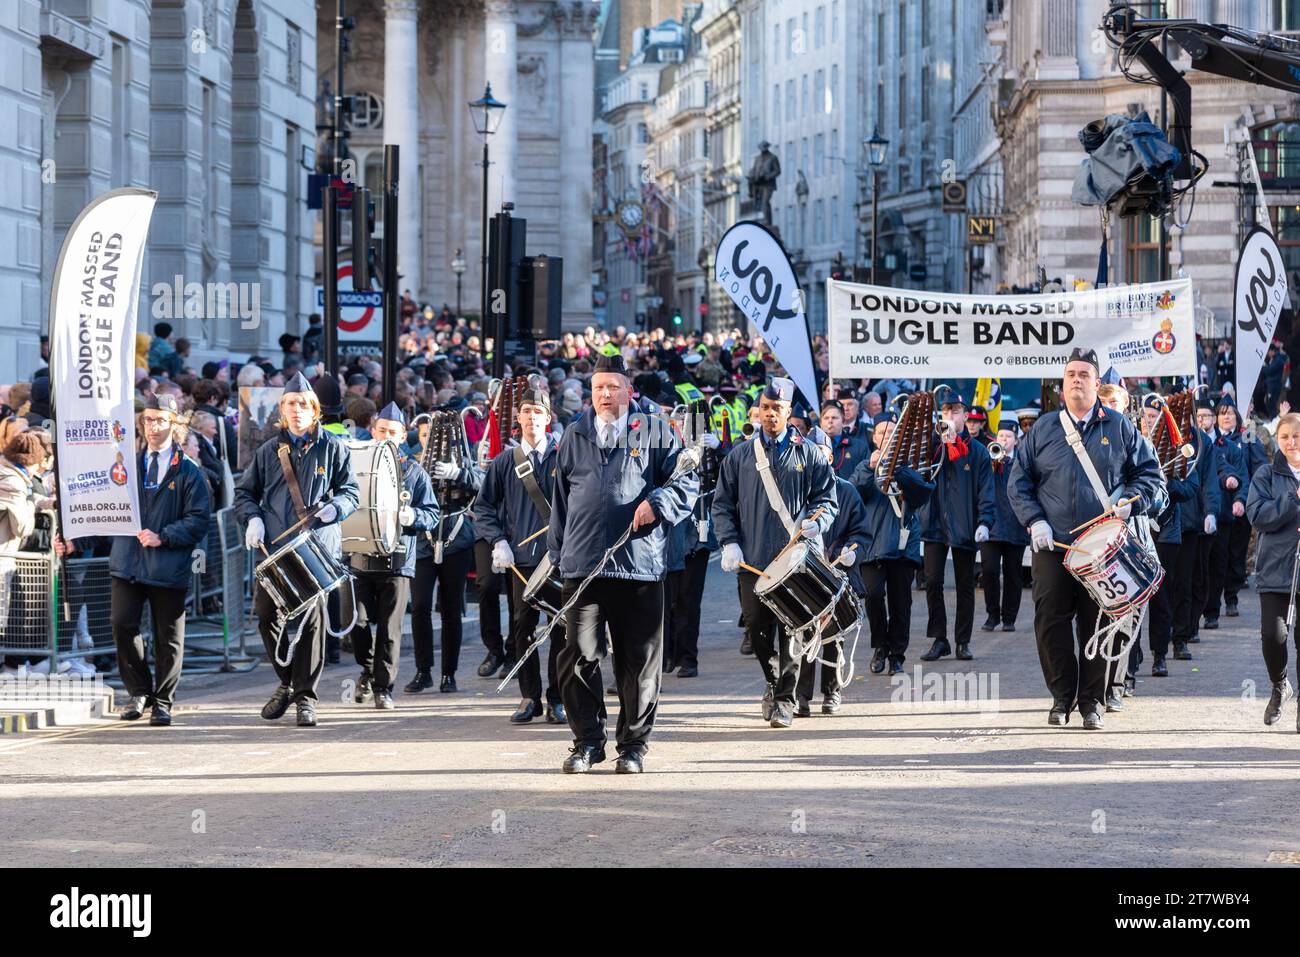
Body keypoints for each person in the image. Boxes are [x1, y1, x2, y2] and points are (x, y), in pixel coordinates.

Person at [548, 353, 699, 773]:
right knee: (577, 656)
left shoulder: (655, 431)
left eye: (613, 387)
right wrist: (558, 556)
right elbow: (560, 502)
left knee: (638, 662)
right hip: (582, 567)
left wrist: (659, 501)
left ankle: (632, 746)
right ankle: (587, 742)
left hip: (638, 565)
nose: (605, 394)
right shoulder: (573, 434)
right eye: (598, 387)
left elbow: (686, 482)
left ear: (629, 391)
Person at [1008, 348, 1166, 730]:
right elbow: (1018, 483)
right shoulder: (1043, 429)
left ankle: (1091, 701)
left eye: (1084, 374)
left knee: (1098, 624)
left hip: (1102, 547)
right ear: (1062, 385)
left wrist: (1132, 502)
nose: (1077, 379)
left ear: (1098, 383)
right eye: (1070, 374)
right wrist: (1035, 522)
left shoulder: (1119, 426)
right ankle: (1062, 697)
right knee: (1049, 620)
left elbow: (1152, 478)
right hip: (1054, 544)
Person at [235, 373, 359, 727]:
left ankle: (305, 697)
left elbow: (351, 491)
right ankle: (288, 681)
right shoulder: (267, 451)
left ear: (315, 410)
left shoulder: (334, 448)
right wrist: (252, 519)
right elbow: (245, 494)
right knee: (265, 615)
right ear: (283, 409)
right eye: (291, 404)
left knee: (310, 622)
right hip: (276, 548)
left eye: (303, 404)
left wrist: (338, 508)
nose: (297, 410)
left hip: (316, 547)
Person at [714, 377, 838, 729]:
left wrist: (818, 522)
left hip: (792, 560)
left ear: (789, 412)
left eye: (778, 409)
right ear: (758, 411)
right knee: (756, 627)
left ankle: (784, 699)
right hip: (752, 561)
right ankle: (772, 683)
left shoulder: (808, 453)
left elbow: (827, 499)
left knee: (792, 629)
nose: (770, 415)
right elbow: (722, 504)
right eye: (765, 408)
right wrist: (728, 541)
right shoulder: (739, 456)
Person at [107, 395, 212, 726]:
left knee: (169, 636)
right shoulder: (127, 465)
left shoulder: (189, 472)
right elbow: (104, 514)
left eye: (160, 420)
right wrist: (72, 541)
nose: (153, 426)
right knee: (123, 624)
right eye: (148, 420)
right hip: (128, 562)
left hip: (168, 564)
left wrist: (163, 535)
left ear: (174, 424)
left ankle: (163, 701)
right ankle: (139, 691)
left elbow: (198, 519)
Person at [472, 387, 569, 724]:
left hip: (560, 559)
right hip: (523, 562)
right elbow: (482, 506)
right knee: (522, 631)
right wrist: (498, 540)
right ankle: (530, 697)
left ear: (548, 416)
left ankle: (557, 698)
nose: (532, 417)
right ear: (518, 417)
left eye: (538, 411)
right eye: (526, 410)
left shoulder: (565, 456)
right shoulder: (504, 462)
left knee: (560, 630)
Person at [348, 403, 439, 709]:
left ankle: (383, 687)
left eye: (393, 432)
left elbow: (432, 514)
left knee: (389, 629)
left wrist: (411, 515)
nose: (386, 436)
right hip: (361, 554)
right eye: (382, 430)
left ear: (403, 436)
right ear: (373, 431)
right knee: (357, 623)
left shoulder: (414, 472)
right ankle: (366, 668)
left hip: (397, 560)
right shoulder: (355, 464)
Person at [408, 409, 482, 694]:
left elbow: (481, 485)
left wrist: (459, 472)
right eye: (424, 435)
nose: (429, 440)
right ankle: (423, 670)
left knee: (451, 609)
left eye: (432, 435)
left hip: (455, 539)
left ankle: (448, 674)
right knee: (421, 607)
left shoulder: (463, 457)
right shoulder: (414, 464)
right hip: (424, 541)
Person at [796, 427, 870, 716]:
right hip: (802, 571)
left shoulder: (847, 491)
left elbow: (862, 532)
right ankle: (800, 697)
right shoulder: (794, 491)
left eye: (821, 453)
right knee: (801, 633)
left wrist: (852, 551)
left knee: (833, 632)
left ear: (830, 457)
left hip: (836, 571)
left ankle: (831, 691)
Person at [853, 411, 933, 676]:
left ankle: (897, 655)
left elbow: (922, 495)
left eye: (891, 432)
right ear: (874, 438)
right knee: (873, 596)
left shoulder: (911, 464)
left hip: (903, 544)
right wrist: (870, 467)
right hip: (872, 545)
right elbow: (855, 493)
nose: (886, 437)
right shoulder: (865, 465)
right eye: (881, 432)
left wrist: (901, 471)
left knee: (902, 602)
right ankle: (880, 646)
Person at [918, 392, 996, 662]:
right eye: (946, 411)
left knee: (965, 585)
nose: (950, 416)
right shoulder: (932, 446)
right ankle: (940, 639)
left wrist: (985, 521)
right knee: (933, 582)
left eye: (955, 411)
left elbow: (986, 490)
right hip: (935, 524)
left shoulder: (977, 452)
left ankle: (963, 640)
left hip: (964, 524)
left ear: (965, 415)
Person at [1245, 411, 1300, 730]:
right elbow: (1258, 515)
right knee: (1273, 636)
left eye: (1296, 436)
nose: (1291, 442)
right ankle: (1280, 685)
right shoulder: (1266, 473)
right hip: (1276, 568)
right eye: (1285, 437)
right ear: (1277, 440)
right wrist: (1292, 502)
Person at [981, 425, 1028, 633]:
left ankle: (1009, 618)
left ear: (1016, 441)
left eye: (1008, 436)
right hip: (992, 524)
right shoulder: (989, 459)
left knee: (1013, 573)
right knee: (989, 571)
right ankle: (992, 615)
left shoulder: (1021, 461)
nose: (1004, 439)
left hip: (1015, 524)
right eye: (1001, 436)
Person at [819, 399, 870, 479]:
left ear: (843, 421)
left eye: (834, 418)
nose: (830, 421)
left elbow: (865, 476)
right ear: (820, 423)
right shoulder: (812, 447)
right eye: (826, 418)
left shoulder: (860, 447)